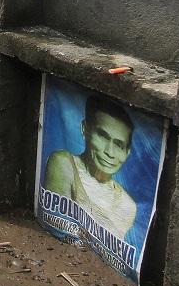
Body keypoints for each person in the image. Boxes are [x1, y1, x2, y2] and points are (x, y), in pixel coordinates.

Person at [42, 94, 138, 238]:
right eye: (103, 136)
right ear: (85, 129)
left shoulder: (127, 206)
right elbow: (59, 231)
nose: (109, 152)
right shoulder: (64, 163)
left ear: (127, 153)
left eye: (119, 145)